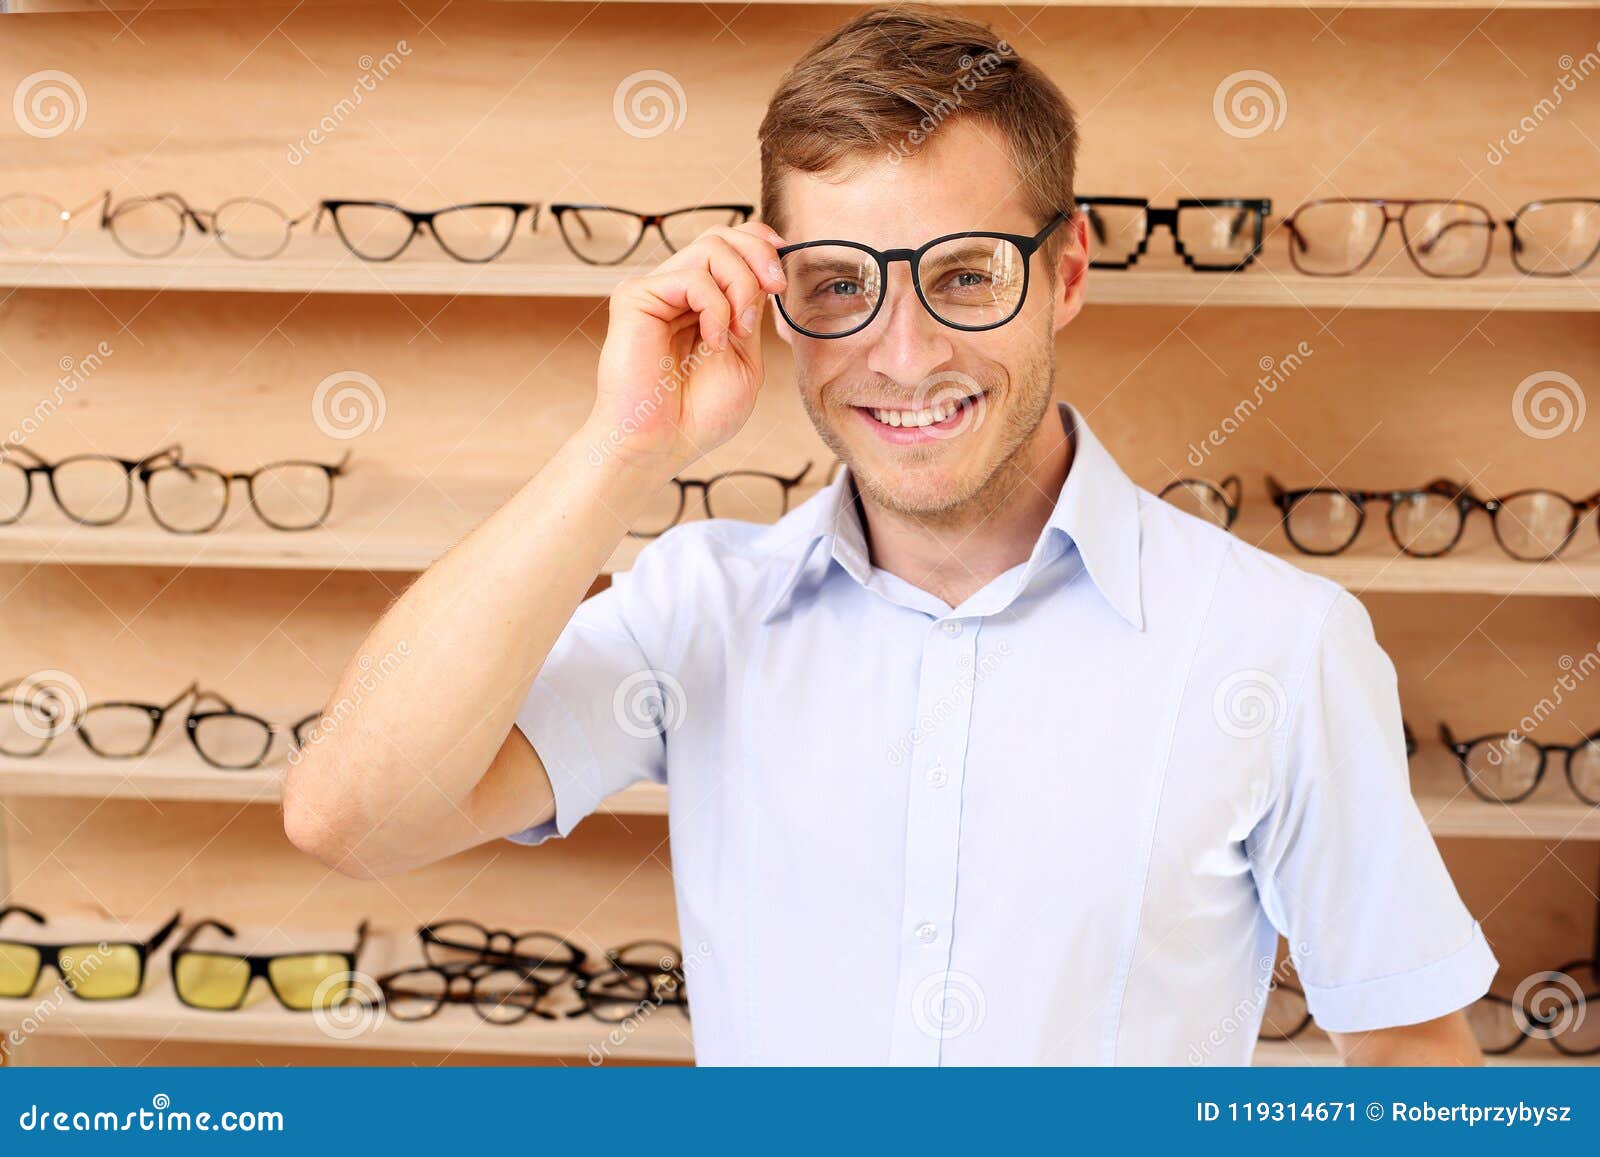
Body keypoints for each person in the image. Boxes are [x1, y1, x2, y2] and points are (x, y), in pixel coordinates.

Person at [285, 4, 1494, 1065]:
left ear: (1066, 269)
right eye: (839, 283)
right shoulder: (697, 606)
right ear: (775, 297)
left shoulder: (1279, 643)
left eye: (965, 276)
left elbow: (1407, 1051)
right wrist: (621, 444)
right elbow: (350, 815)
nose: (902, 354)